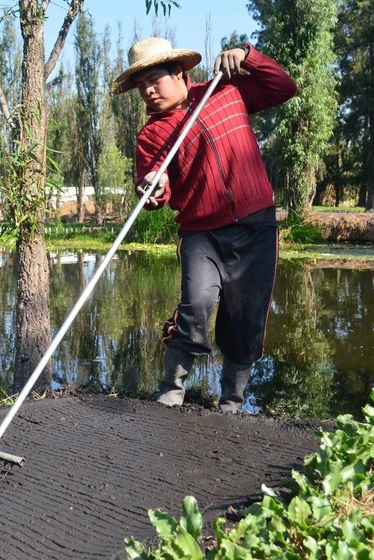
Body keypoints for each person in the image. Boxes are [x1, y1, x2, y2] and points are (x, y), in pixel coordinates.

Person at [111, 37, 298, 413]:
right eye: (140, 85)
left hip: (255, 227)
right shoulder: (151, 135)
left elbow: (283, 87)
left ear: (179, 72)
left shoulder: (225, 93)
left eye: (154, 79)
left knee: (246, 316)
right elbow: (152, 196)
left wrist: (248, 55)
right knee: (196, 305)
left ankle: (232, 400)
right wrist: (152, 187)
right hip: (201, 235)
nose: (147, 91)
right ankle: (172, 386)